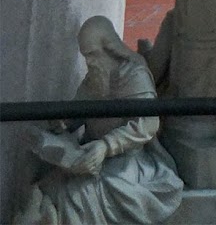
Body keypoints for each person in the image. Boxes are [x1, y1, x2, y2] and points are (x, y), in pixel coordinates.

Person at [13, 16, 184, 225]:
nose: (90, 62)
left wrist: (106, 146)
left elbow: (147, 123)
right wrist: (62, 123)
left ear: (110, 48)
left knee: (78, 194)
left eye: (93, 55)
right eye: (86, 56)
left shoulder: (133, 75)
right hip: (88, 155)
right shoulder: (94, 78)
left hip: (127, 163)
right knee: (46, 186)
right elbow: (78, 112)